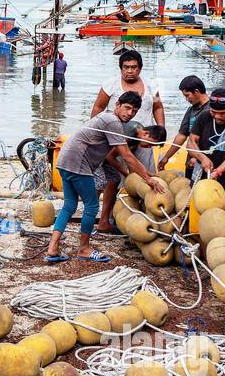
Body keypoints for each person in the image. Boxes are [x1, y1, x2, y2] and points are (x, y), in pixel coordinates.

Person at [45, 92, 167, 264]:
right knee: (92, 206)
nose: (129, 113)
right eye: (127, 108)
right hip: (79, 163)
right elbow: (126, 156)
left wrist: (147, 174)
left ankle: (52, 248)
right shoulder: (113, 122)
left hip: (65, 159)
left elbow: (125, 156)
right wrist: (147, 179)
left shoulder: (108, 118)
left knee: (70, 205)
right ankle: (84, 249)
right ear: (117, 104)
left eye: (134, 111)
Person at [90, 49, 164, 231]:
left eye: (134, 67)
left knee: (145, 178)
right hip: (118, 140)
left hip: (143, 140)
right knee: (114, 180)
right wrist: (96, 135)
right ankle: (109, 219)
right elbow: (97, 108)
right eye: (126, 67)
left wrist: (160, 129)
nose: (130, 71)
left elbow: (158, 107)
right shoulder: (111, 85)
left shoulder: (151, 86)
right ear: (120, 68)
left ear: (140, 68)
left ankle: (145, 220)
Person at [187, 88, 225, 194]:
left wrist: (218, 171)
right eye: (213, 112)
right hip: (199, 172)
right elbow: (191, 143)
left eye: (222, 113)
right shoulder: (204, 117)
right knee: (196, 202)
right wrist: (202, 158)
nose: (217, 117)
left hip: (224, 175)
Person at [157, 75, 210, 169]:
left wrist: (200, 158)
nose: (186, 99)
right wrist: (166, 157)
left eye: (187, 95)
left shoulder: (214, 109)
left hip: (208, 161)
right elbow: (182, 136)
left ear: (196, 92)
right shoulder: (191, 110)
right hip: (191, 161)